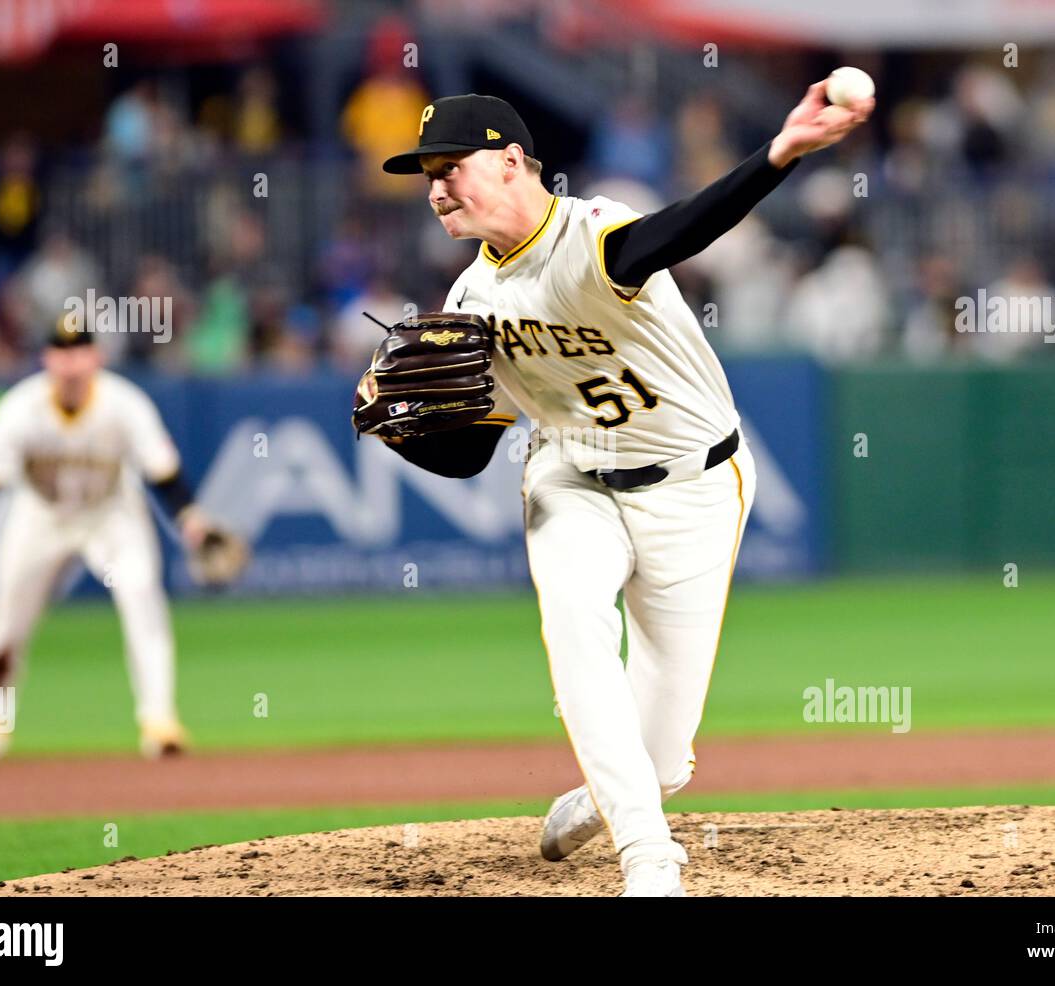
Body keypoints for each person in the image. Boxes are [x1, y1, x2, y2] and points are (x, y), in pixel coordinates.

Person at [369, 86, 872, 895]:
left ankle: (609, 797)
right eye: (425, 173)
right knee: (575, 621)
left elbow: (683, 227)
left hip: (694, 489)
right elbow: (468, 459)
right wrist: (402, 429)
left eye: (448, 167)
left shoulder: (591, 235)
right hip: (571, 479)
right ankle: (648, 857)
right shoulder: (469, 302)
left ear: (510, 161)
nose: (434, 189)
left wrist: (781, 152)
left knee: (663, 758)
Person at [0, 322, 210, 760]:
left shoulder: (125, 403)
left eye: (80, 352)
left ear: (97, 358)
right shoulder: (20, 408)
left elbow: (162, 473)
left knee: (142, 597)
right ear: (46, 359)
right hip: (41, 516)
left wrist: (188, 517)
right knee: (7, 622)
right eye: (61, 352)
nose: (70, 363)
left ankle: (160, 721)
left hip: (111, 515)